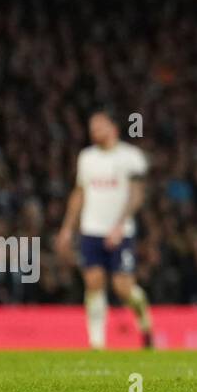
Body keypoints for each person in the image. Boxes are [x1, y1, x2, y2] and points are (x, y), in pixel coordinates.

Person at [55, 109, 154, 349]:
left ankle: (144, 322)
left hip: (122, 232)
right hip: (91, 230)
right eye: (92, 127)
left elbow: (137, 195)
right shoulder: (86, 158)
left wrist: (120, 226)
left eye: (99, 126)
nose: (94, 131)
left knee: (123, 288)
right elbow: (79, 193)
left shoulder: (130, 157)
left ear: (113, 128)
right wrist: (67, 228)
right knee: (93, 282)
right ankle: (97, 342)